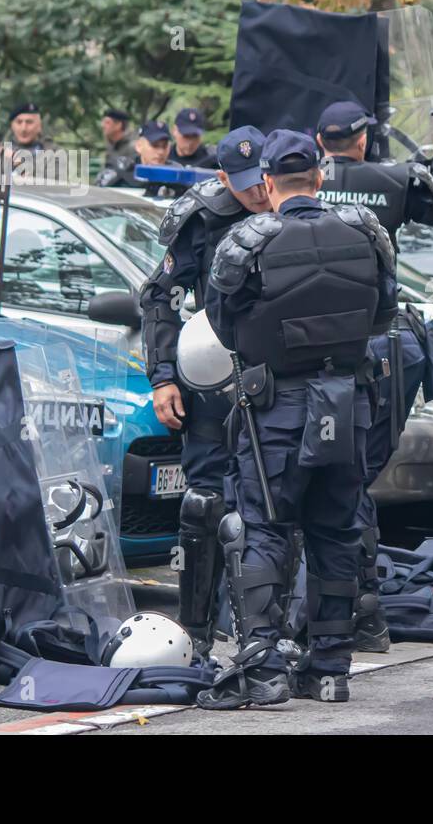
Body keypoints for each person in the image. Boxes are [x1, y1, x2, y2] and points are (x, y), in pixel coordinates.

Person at [198, 130, 398, 708]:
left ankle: (262, 667)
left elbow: (223, 326)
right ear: (320, 175)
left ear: (265, 181)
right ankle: (331, 670)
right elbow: (384, 310)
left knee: (261, 529)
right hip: (348, 402)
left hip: (277, 406)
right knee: (337, 531)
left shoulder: (247, 242)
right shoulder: (365, 233)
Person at [315, 100, 433, 652]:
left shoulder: (292, 184)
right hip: (375, 348)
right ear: (362, 137)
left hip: (310, 353)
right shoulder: (391, 178)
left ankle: (326, 607)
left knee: (318, 483)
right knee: (356, 481)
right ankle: (364, 610)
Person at [138, 126, 273, 656]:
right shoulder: (203, 219)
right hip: (213, 379)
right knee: (204, 502)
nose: (256, 192)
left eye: (261, 178)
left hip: (278, 379)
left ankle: (264, 632)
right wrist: (163, 376)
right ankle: (195, 632)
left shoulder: (296, 201)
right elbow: (160, 298)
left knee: (274, 503)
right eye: (242, 184)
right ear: (222, 178)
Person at [97, 109, 139, 187]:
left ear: (118, 125)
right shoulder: (111, 144)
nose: (103, 125)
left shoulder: (133, 147)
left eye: (107, 122)